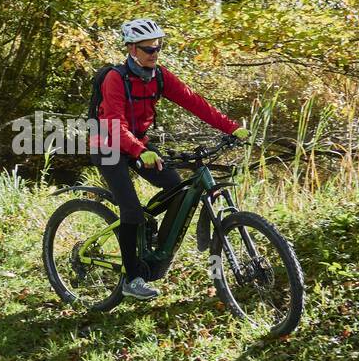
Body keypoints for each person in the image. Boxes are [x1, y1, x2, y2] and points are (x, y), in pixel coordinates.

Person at [91, 18, 249, 300]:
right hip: (108, 145)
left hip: (139, 143)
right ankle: (132, 278)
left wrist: (231, 127)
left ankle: (147, 232)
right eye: (148, 49)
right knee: (131, 210)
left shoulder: (160, 77)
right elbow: (114, 124)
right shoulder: (115, 79)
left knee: (177, 188)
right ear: (132, 49)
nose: (155, 53)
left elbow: (194, 101)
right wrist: (140, 150)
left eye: (158, 47)